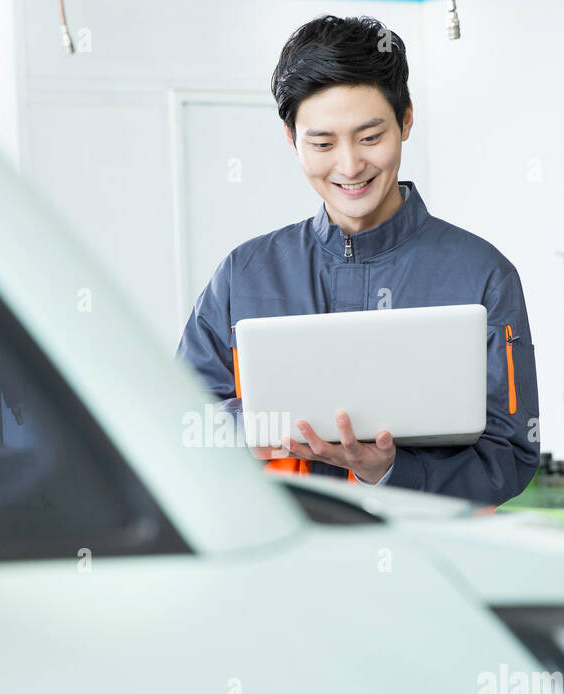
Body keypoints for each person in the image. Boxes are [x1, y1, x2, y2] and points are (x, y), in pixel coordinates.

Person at [176, 14, 540, 505]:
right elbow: (182, 421)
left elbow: (511, 453)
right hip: (281, 566)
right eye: (323, 143)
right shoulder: (242, 276)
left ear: (406, 119)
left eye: (370, 137)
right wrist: (266, 429)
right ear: (291, 139)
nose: (349, 166)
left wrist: (392, 470)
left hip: (427, 568)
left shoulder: (482, 276)